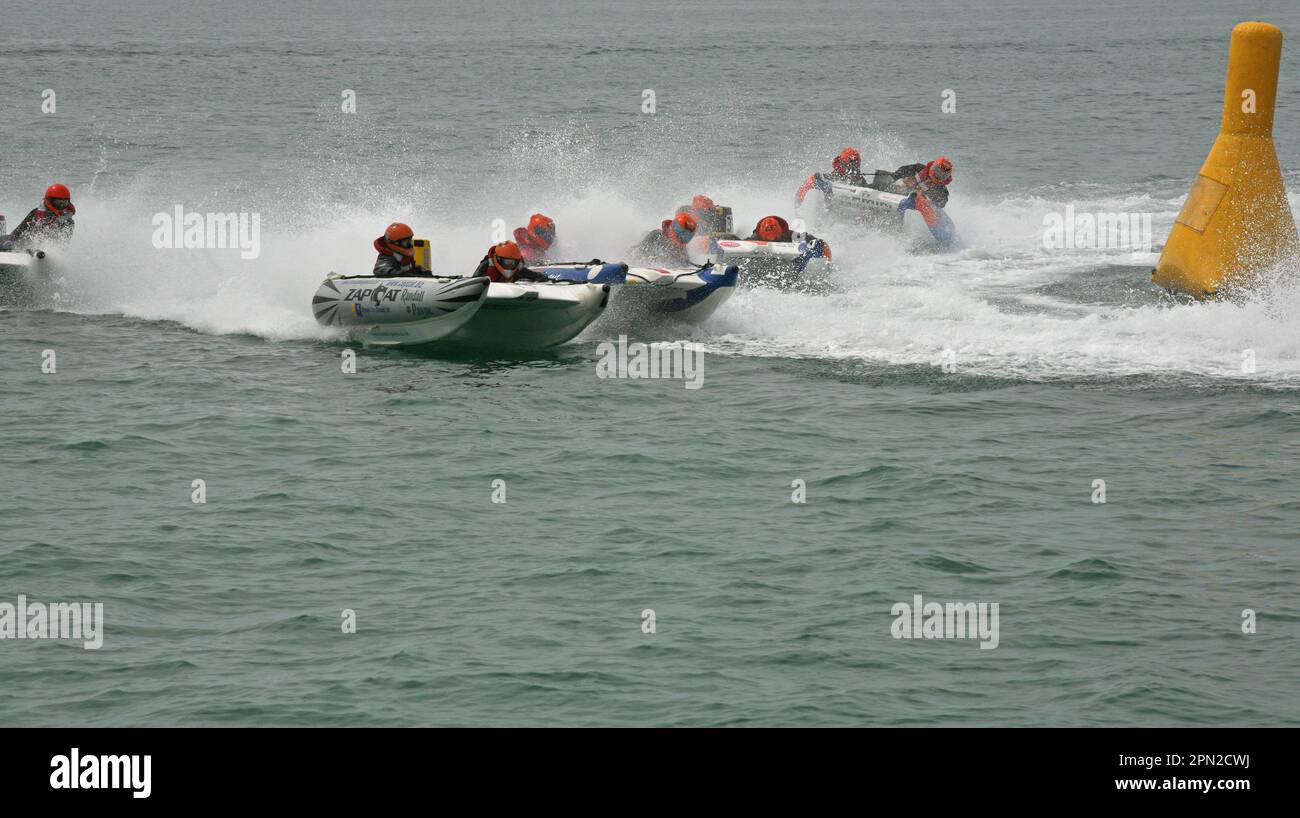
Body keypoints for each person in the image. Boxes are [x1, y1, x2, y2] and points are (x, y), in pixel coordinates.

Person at [0, 183, 76, 250]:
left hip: (43, 252)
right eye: (58, 202)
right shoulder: (36, 213)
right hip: (22, 244)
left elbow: (63, 245)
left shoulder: (68, 222)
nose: (61, 206)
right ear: (49, 200)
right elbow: (17, 233)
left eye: (64, 202)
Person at [746, 215, 832, 266]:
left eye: (775, 239)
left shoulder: (788, 234)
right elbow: (740, 243)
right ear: (761, 235)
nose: (772, 241)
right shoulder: (754, 238)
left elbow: (807, 238)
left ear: (780, 233)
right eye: (767, 239)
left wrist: (820, 244)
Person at [796, 148, 869, 203]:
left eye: (856, 164)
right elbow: (810, 181)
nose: (854, 167)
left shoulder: (860, 180)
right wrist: (799, 198)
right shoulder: (834, 177)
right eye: (851, 164)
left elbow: (870, 193)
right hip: (831, 212)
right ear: (843, 163)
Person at [629, 212, 697, 267]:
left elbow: (686, 265)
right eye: (682, 233)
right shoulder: (656, 236)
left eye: (687, 237)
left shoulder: (682, 250)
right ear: (675, 228)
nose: (682, 237)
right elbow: (636, 253)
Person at [886, 156, 953, 208]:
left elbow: (941, 203)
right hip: (907, 189)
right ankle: (896, 191)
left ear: (946, 177)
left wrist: (928, 203)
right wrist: (894, 177)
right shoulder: (919, 168)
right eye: (936, 170)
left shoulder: (941, 190)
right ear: (933, 166)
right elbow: (904, 170)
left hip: (919, 202)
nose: (937, 175)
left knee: (918, 194)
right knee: (909, 181)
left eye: (942, 175)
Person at [473, 240, 549, 283]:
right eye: (507, 263)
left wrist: (543, 277)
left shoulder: (518, 269)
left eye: (513, 263)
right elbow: (474, 282)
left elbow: (536, 275)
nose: (510, 266)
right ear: (498, 259)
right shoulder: (486, 265)